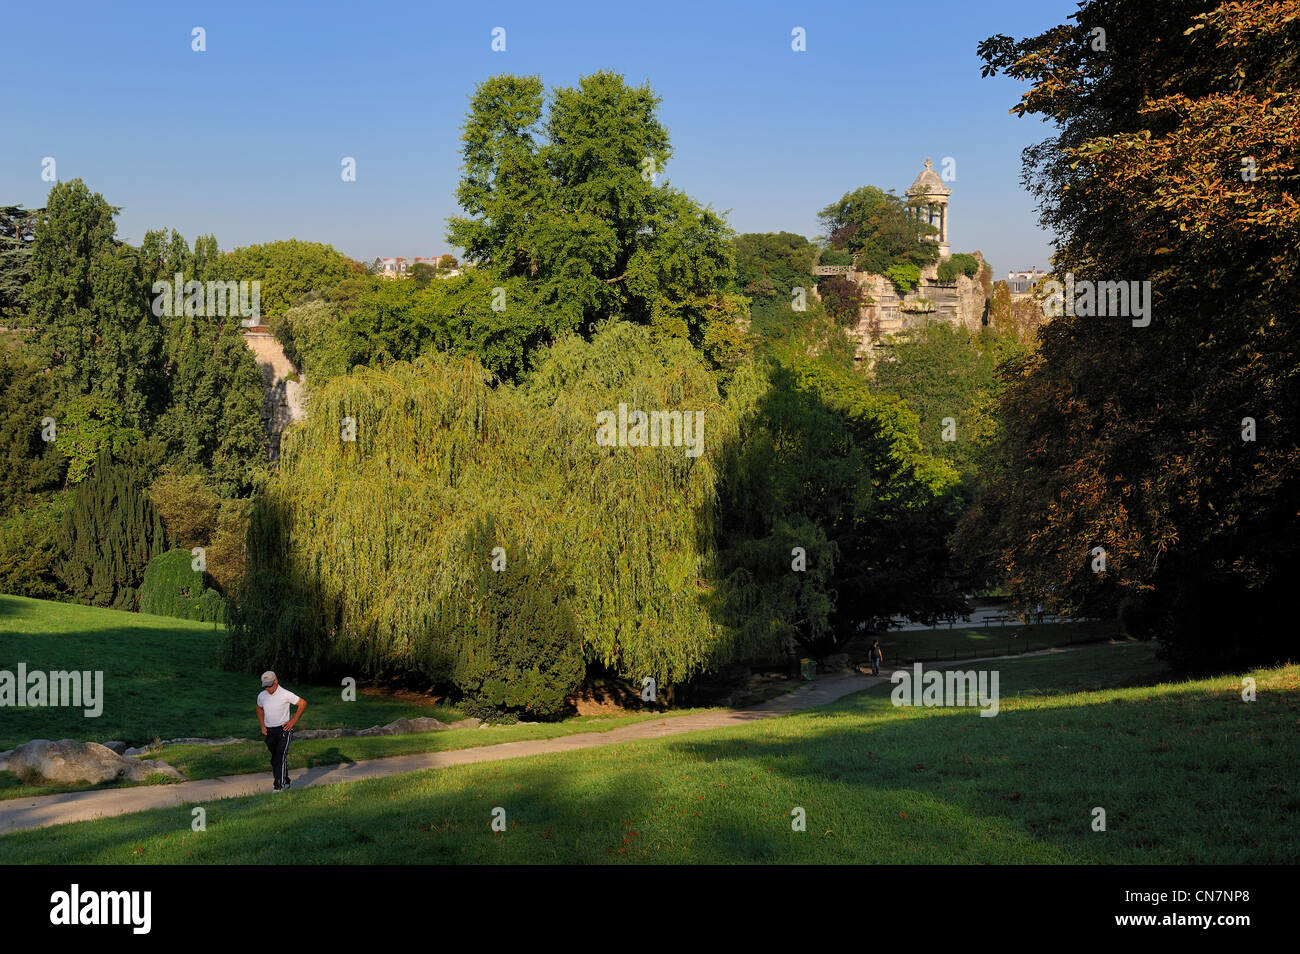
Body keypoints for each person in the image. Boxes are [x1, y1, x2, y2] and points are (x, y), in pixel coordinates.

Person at [257, 671, 306, 792]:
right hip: (269, 731)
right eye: (265, 686)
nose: (267, 688)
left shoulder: (285, 694)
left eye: (269, 685)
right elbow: (259, 708)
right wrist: (262, 725)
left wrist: (293, 721)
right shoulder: (262, 696)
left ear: (276, 681)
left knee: (280, 757)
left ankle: (279, 786)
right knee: (275, 759)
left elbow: (302, 703)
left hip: (284, 730)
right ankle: (286, 780)